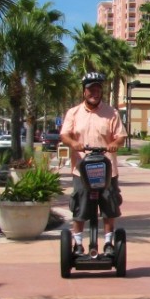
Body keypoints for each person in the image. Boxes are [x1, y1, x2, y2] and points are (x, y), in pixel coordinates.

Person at [60, 72, 127, 255]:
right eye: (91, 89)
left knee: (109, 207)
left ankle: (108, 244)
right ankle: (78, 244)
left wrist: (114, 144)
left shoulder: (111, 113)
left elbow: (121, 136)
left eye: (98, 89)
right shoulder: (73, 113)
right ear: (84, 92)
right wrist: (73, 143)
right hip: (81, 169)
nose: (95, 93)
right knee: (80, 205)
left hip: (107, 170)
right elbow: (64, 135)